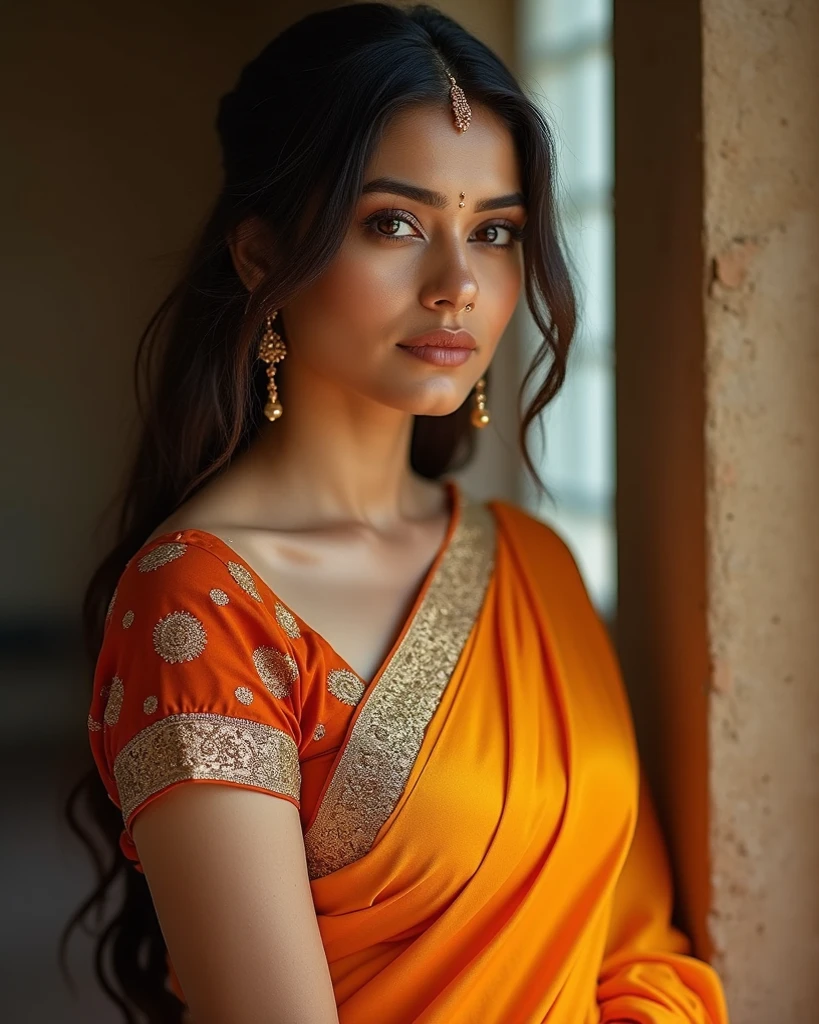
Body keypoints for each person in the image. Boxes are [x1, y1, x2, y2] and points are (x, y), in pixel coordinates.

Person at [61, 4, 730, 1022]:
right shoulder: (199, 609)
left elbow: (636, 945)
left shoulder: (531, 562)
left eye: (495, 231)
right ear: (259, 255)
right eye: (396, 223)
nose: (458, 284)